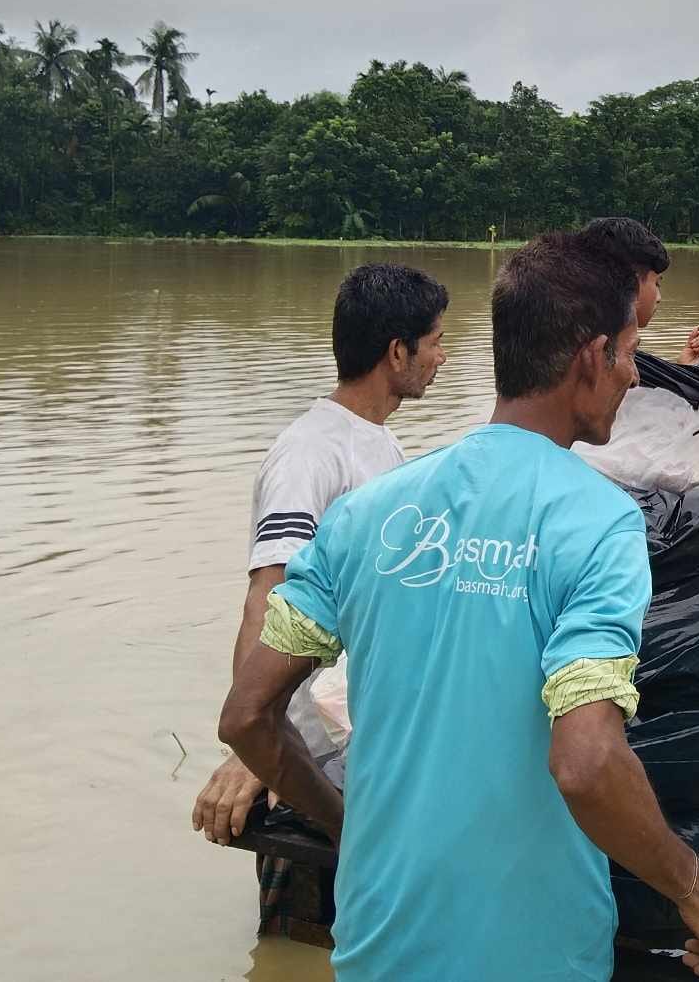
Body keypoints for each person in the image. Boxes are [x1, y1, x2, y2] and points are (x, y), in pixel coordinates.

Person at [218, 232, 699, 980]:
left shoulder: (371, 511)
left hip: (376, 942)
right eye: (630, 354)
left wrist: (349, 826)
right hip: (533, 954)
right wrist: (698, 889)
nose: (634, 375)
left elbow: (246, 716)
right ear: (592, 356)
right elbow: (586, 763)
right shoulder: (599, 522)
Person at [191, 262, 448, 924]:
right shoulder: (310, 455)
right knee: (298, 926)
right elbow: (268, 595)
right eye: (436, 341)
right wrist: (256, 746)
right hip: (303, 757)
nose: (443, 358)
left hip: (352, 744)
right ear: (397, 352)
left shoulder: (382, 447)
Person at [580, 214, 699, 366]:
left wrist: (686, 368)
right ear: (632, 284)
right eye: (657, 283)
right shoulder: (610, 362)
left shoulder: (580, 344)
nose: (659, 298)